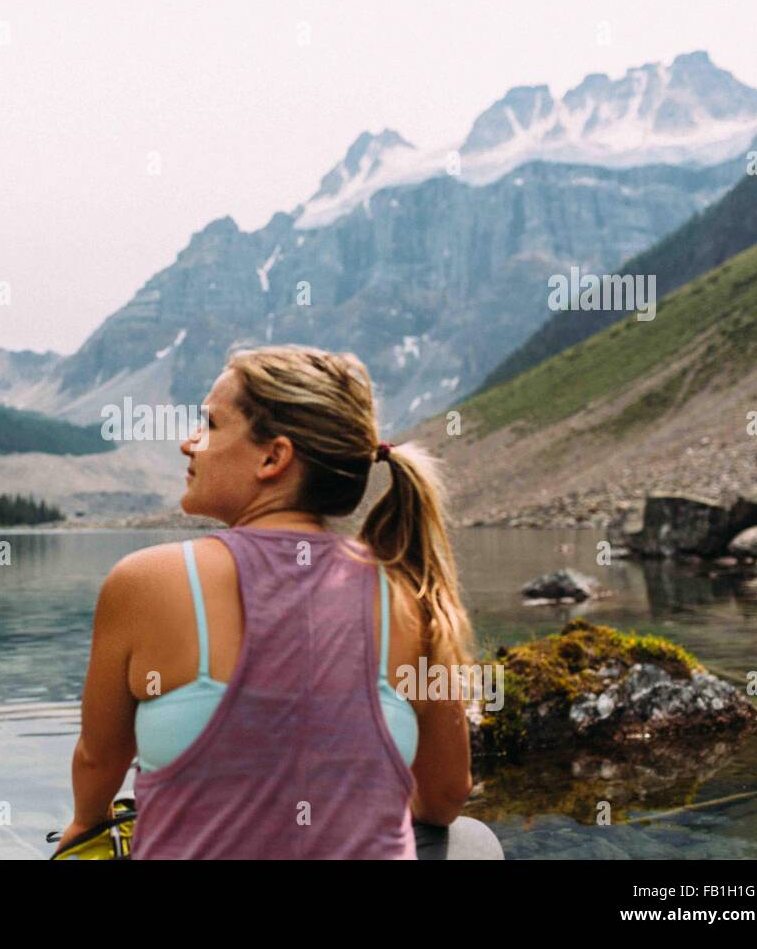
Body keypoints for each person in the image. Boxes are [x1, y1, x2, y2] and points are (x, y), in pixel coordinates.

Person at [56, 345, 496, 859]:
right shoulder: (409, 595)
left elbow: (97, 760)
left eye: (210, 425)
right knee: (470, 839)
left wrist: (86, 822)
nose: (188, 443)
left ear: (273, 458)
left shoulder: (144, 581)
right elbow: (445, 796)